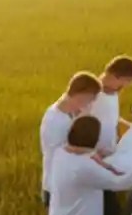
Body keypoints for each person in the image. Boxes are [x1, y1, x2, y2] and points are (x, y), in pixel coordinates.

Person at [88, 55, 132, 215]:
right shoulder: (92, 95)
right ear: (115, 75)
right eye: (126, 81)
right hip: (95, 164)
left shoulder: (111, 94)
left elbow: (110, 119)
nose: (126, 87)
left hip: (109, 161)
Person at [39, 72, 102, 207]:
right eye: (90, 98)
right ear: (80, 95)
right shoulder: (54, 120)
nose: (91, 102)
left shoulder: (71, 111)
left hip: (70, 185)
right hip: (56, 188)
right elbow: (61, 154)